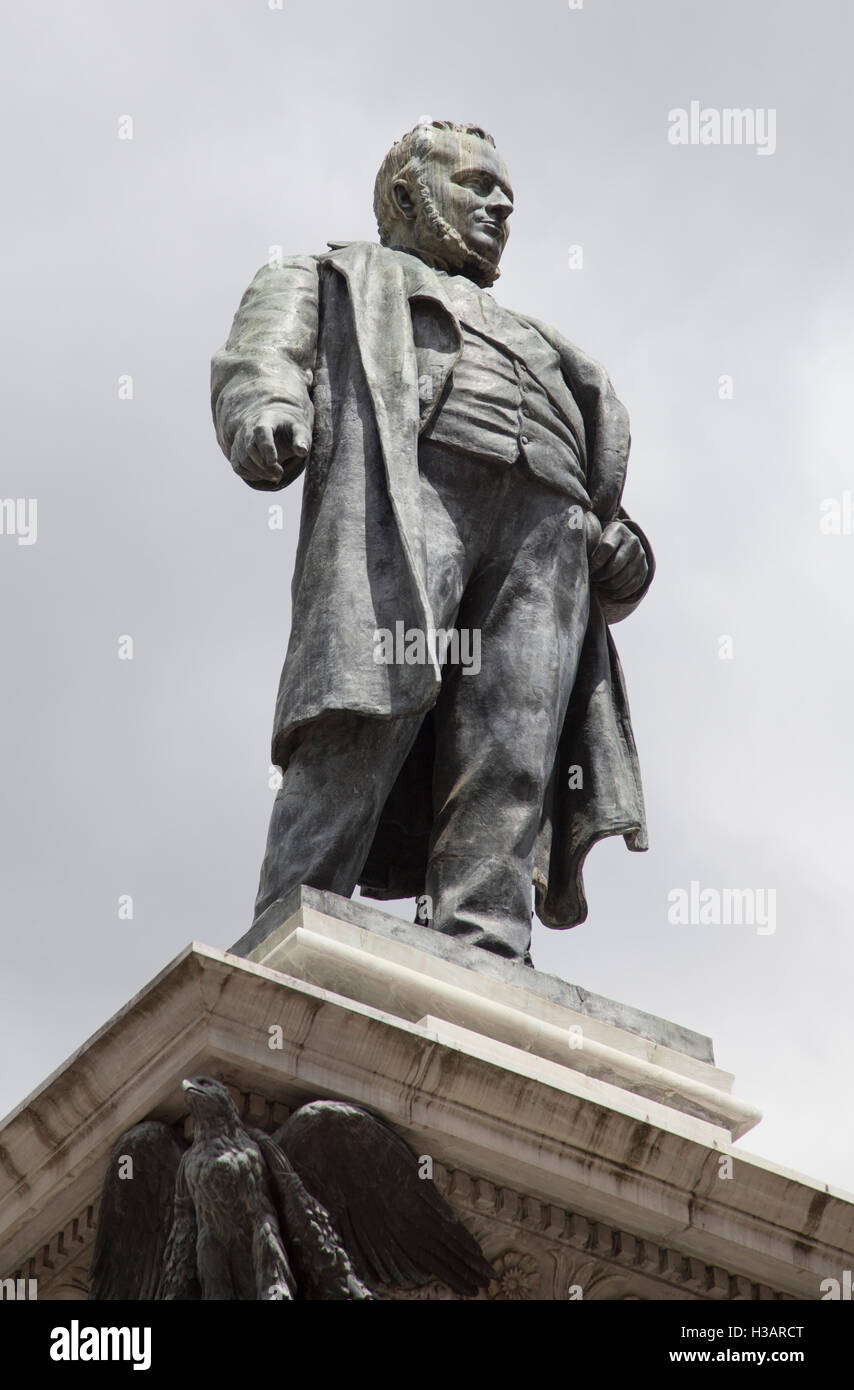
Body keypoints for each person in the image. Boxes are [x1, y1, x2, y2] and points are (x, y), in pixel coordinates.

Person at [211, 119, 655, 965]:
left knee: (514, 744)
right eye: (476, 185)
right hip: (409, 501)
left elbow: (605, 498)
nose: (500, 205)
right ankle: (290, 929)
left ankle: (485, 947)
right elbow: (257, 362)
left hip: (547, 531)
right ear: (408, 196)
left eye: (506, 197)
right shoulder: (327, 277)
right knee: (362, 716)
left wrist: (623, 547)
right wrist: (268, 412)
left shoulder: (546, 344)